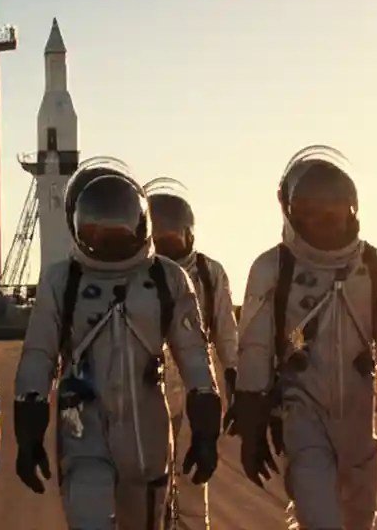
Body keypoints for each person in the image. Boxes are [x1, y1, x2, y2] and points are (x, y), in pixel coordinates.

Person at [13, 157, 222, 530]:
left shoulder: (167, 280)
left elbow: (194, 358)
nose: (110, 234)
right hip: (84, 434)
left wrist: (206, 424)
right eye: (98, 225)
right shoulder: (63, 281)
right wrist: (27, 428)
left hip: (148, 441)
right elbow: (38, 357)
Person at [231, 145, 377, 530]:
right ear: (291, 212)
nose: (323, 220)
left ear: (352, 209)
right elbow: (255, 351)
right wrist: (253, 425)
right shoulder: (273, 267)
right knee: (319, 517)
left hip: (359, 423)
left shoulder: (375, 267)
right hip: (300, 413)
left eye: (333, 209)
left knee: (359, 519)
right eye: (310, 211)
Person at [144, 176, 239, 530]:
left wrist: (236, 381)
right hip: (143, 392)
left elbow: (227, 335)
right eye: (160, 236)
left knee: (193, 485)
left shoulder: (208, 275)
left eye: (174, 235)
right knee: (145, 488)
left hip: (194, 391)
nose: (169, 242)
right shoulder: (130, 273)